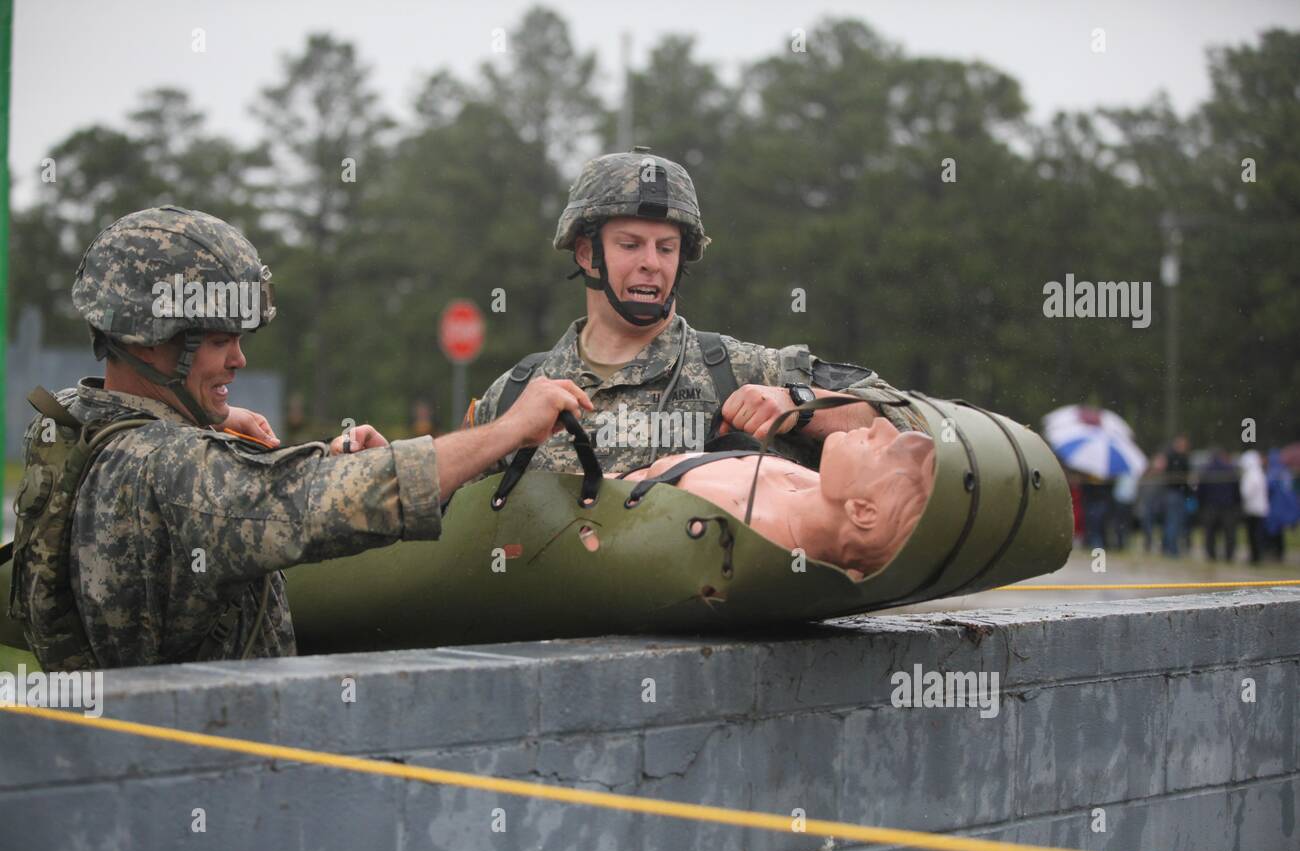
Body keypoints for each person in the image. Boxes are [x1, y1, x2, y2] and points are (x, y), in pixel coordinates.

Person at [7, 206, 590, 670]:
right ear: (147, 342)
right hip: (210, 764)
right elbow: (337, 499)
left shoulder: (73, 425)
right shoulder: (173, 471)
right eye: (217, 341)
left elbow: (160, 453)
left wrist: (204, 422)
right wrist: (511, 428)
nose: (239, 360)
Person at [468, 148, 925, 475]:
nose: (652, 262)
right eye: (630, 245)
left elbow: (910, 420)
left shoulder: (742, 370)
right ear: (588, 254)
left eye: (666, 248)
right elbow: (448, 519)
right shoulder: (516, 394)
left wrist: (799, 407)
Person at [621, 416, 936, 579]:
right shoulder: (818, 486)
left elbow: (601, 544)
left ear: (863, 512)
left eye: (885, 450)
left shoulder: (718, 522)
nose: (881, 425)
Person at [1197, 448, 1241, 562]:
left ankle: (1211, 555)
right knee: (1229, 533)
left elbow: (1200, 491)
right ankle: (1229, 555)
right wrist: (1237, 503)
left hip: (1210, 506)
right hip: (1228, 506)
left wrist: (1201, 504)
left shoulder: (1205, 470)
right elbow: (1236, 489)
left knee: (1209, 533)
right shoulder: (1229, 469)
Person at [1264, 448, 1299, 562]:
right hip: (1286, 505)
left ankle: (1275, 553)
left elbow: (1269, 487)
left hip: (1276, 506)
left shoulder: (1274, 472)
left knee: (1274, 530)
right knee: (1279, 531)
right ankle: (1279, 552)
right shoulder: (1285, 471)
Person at [1162, 435, 1191, 557]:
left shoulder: (1171, 457)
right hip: (1175, 494)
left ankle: (1168, 547)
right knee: (1173, 522)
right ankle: (1172, 549)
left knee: (1172, 521)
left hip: (1174, 493)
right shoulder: (1178, 458)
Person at [1239, 450, 1269, 564]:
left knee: (1254, 535)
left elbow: (1247, 492)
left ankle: (1255, 557)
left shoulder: (1252, 475)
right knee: (1257, 534)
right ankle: (1256, 555)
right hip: (1259, 509)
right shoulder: (1259, 473)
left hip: (1253, 510)